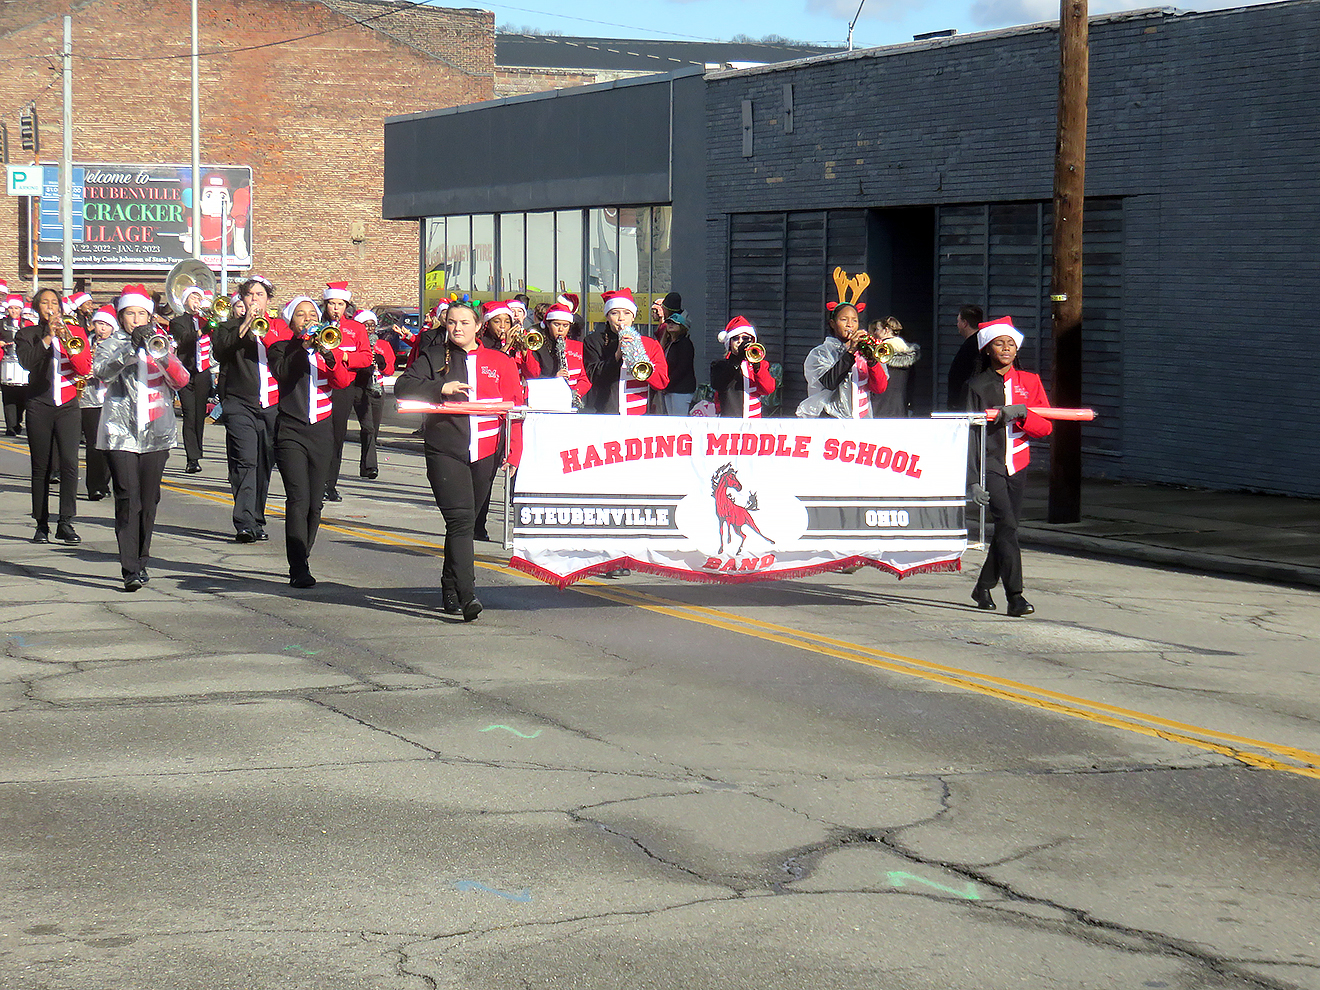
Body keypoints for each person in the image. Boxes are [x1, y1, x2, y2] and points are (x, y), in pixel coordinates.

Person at [394, 300, 523, 621]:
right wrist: (441, 387)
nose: (457, 328)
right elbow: (403, 385)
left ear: (478, 326)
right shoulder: (434, 356)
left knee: (464, 523)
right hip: (445, 449)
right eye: (451, 322)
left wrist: (514, 450)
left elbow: (516, 410)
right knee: (461, 521)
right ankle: (468, 595)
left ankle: (449, 585)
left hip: (486, 452)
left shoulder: (500, 361)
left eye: (465, 322)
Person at [93, 285, 191, 592]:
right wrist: (128, 351)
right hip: (120, 431)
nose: (136, 319)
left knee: (149, 501)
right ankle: (129, 568)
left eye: (141, 314)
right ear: (121, 317)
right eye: (130, 314)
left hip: (156, 432)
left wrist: (159, 354)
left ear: (150, 316)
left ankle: (142, 558)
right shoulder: (110, 343)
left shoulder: (163, 343)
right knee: (127, 496)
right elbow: (101, 372)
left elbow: (181, 379)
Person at [965, 316, 1053, 618]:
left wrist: (1023, 414)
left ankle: (983, 585)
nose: (1006, 348)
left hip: (1019, 462)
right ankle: (1015, 596)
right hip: (990, 463)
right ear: (988, 349)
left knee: (1007, 528)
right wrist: (972, 479)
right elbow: (970, 434)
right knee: (1009, 526)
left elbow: (1045, 428)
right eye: (1000, 343)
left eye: (1011, 343)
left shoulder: (1031, 382)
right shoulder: (976, 385)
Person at [267, 296, 356, 588]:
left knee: (315, 503)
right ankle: (298, 566)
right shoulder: (282, 348)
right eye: (300, 315)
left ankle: (304, 552)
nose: (307, 319)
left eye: (311, 314)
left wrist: (330, 357)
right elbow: (281, 372)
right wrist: (301, 347)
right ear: (291, 322)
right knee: (298, 498)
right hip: (291, 429)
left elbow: (342, 383)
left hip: (321, 429)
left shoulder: (329, 346)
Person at [212, 275, 292, 543]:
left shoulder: (280, 328)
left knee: (264, 463)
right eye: (250, 295)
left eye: (260, 295)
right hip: (239, 403)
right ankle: (244, 522)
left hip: (272, 405)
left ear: (268, 299)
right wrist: (246, 324)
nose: (254, 299)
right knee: (245, 460)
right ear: (242, 299)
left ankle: (257, 518)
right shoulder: (228, 327)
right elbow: (220, 351)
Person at [16, 287, 92, 544]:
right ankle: (41, 524)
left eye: (54, 303)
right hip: (39, 404)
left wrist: (68, 344)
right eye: (45, 303)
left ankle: (66, 523)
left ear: (60, 308)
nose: (51, 307)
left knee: (70, 464)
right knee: (41, 466)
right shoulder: (27, 334)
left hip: (68, 405)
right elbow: (28, 362)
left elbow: (84, 368)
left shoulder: (75, 333)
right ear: (38, 308)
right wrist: (48, 338)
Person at [320, 281, 372, 502]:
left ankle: (330, 483)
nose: (335, 308)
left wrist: (343, 356)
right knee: (318, 435)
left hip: (343, 386)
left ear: (346, 306)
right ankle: (316, 479)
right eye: (331, 303)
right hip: (319, 386)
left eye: (339, 304)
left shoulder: (356, 328)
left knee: (336, 436)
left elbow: (367, 358)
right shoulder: (317, 325)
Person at [796, 299, 888, 419]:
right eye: (844, 320)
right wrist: (850, 353)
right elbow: (829, 383)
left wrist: (872, 361)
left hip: (861, 419)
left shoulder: (863, 352)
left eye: (854, 320)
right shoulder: (820, 353)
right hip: (830, 418)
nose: (850, 325)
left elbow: (879, 388)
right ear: (832, 324)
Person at [583, 288, 670, 415]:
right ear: (607, 316)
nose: (621, 319)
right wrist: (616, 356)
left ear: (633, 317)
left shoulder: (650, 344)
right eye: (614, 313)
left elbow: (662, 382)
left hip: (641, 414)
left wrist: (641, 360)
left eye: (626, 313)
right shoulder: (594, 341)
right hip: (608, 414)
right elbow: (594, 377)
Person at [169, 282, 215, 473]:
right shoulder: (177, 322)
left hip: (203, 372)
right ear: (185, 301)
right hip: (186, 374)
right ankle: (192, 458)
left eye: (199, 297)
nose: (197, 301)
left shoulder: (206, 319)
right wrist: (202, 330)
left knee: (199, 415)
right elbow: (185, 339)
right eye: (193, 297)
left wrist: (212, 320)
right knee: (189, 414)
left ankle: (198, 452)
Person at [349, 309, 395, 480]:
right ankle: (371, 467)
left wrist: (381, 364)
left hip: (378, 389)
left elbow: (390, 369)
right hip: (360, 388)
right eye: (365, 325)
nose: (369, 328)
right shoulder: (355, 343)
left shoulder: (383, 345)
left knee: (373, 430)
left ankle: (364, 464)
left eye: (372, 325)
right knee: (367, 427)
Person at [79, 306, 116, 501]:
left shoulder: (117, 345)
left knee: (110, 443)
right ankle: (94, 486)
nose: (101, 329)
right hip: (89, 398)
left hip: (111, 398)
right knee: (93, 444)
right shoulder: (86, 342)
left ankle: (105, 481)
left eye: (106, 325)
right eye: (99, 324)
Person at [523, 297, 588, 407]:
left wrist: (576, 393)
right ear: (548, 324)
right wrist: (554, 379)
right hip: (547, 401)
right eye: (556, 325)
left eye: (565, 325)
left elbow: (585, 378)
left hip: (573, 401)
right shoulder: (539, 346)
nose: (561, 329)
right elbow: (533, 375)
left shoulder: (578, 347)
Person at [710, 315, 776, 418]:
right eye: (736, 338)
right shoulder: (719, 365)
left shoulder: (760, 364)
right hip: (730, 420)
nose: (741, 341)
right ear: (729, 343)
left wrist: (757, 367)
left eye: (745, 338)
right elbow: (718, 384)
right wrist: (737, 360)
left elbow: (768, 389)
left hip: (753, 420)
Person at [869, 316, 920, 418]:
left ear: (886, 330)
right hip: (900, 409)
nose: (874, 333)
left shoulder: (879, 353)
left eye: (877, 330)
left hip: (878, 408)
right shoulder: (909, 353)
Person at [654, 292, 695, 416]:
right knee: (671, 422)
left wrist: (667, 383)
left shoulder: (684, 343)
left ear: (682, 326)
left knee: (680, 422)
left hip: (681, 390)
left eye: (675, 323)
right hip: (671, 389)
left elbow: (682, 368)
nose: (670, 325)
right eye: (669, 322)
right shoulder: (671, 343)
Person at [946, 303, 985, 411]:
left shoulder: (972, 346)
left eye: (958, 321)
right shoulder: (979, 342)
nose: (957, 324)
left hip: (967, 404)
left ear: (964, 323)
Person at [1, 292, 30, 436]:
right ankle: (10, 426)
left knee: (23, 398)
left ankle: (17, 420)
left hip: (23, 363)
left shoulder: (27, 324)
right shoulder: (1, 323)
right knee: (8, 396)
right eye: (11, 308)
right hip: (6, 363)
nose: (14, 311)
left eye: (17, 308)